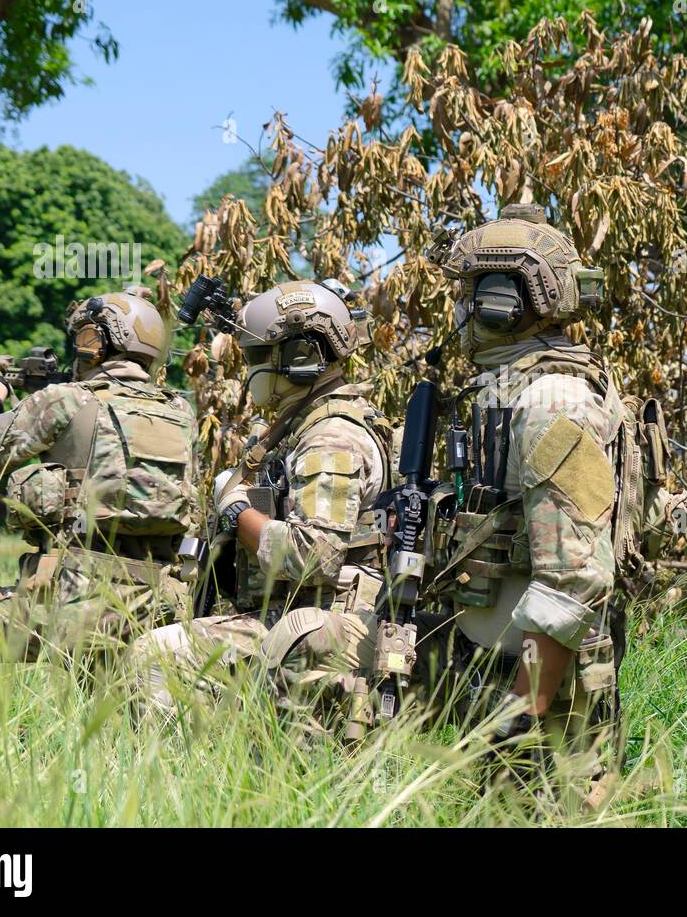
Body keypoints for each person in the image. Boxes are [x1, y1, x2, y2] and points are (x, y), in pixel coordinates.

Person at [422, 204, 626, 798]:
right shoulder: (517, 388)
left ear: (502, 299)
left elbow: (575, 580)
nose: (459, 310)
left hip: (541, 693)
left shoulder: (550, 401)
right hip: (501, 664)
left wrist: (516, 717)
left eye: (468, 293)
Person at [132, 280, 391, 739]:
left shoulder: (329, 437)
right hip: (302, 612)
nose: (249, 369)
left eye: (256, 356)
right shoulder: (304, 422)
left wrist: (236, 512)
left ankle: (166, 781)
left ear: (299, 358)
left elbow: (314, 556)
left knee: (159, 652)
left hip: (324, 621)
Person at [0, 286, 195, 664]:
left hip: (74, 605)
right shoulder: (180, 412)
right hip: (158, 609)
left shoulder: (66, 400)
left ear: (93, 340)